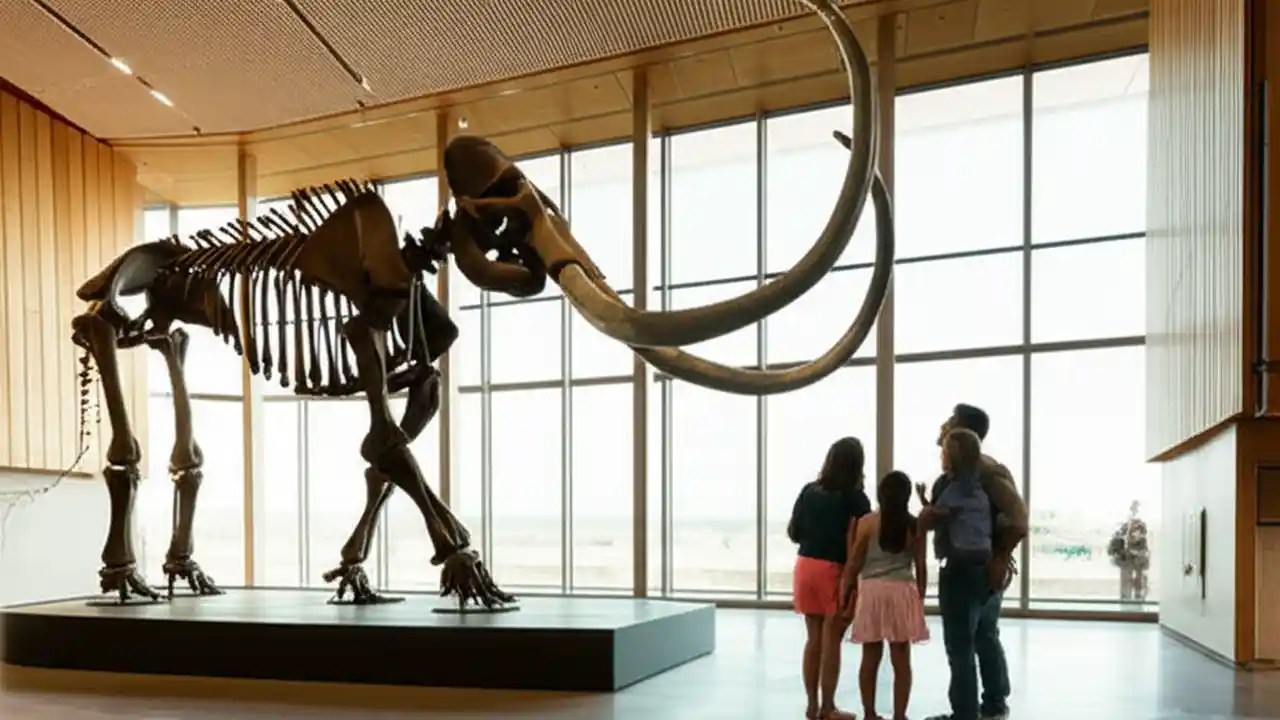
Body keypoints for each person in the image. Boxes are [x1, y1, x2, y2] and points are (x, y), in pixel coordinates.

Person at [920, 405, 1027, 720]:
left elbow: (1019, 519)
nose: (943, 425)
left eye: (950, 421)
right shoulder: (961, 475)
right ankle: (991, 705)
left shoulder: (987, 473)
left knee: (962, 644)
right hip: (980, 569)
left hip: (973, 571)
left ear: (962, 433)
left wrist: (1000, 558)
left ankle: (967, 713)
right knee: (983, 637)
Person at [788, 436, 873, 720]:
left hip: (805, 566)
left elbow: (794, 532)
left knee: (813, 639)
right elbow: (861, 541)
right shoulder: (856, 498)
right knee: (832, 639)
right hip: (834, 570)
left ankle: (811, 706)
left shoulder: (808, 491)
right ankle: (828, 707)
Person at [842, 470, 929, 720]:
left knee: (870, 657)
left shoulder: (867, 523)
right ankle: (900, 715)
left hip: (872, 591)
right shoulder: (914, 525)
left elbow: (854, 564)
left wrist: (846, 590)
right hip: (902, 591)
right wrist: (919, 598)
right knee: (901, 660)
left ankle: (869, 713)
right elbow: (920, 565)